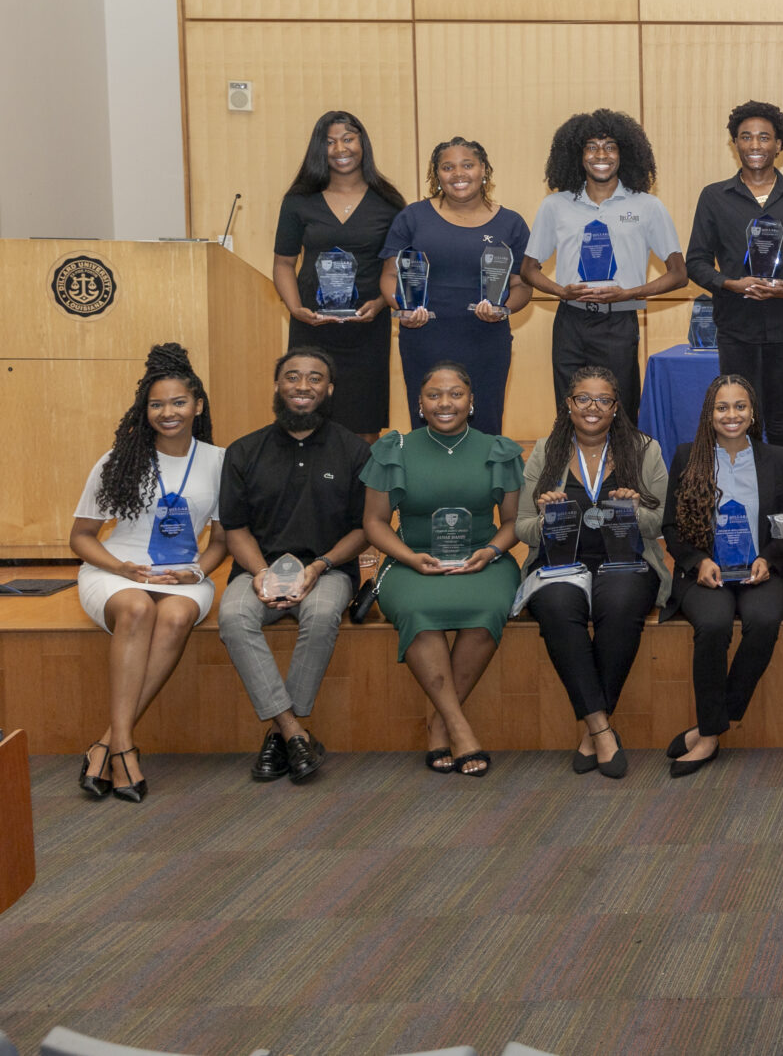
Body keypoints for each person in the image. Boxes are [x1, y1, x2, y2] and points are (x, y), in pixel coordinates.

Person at [67, 344, 226, 803]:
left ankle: (107, 743)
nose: (167, 412)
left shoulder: (219, 462)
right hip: (117, 572)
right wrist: (120, 567)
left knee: (175, 617)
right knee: (137, 609)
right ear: (145, 408)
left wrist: (196, 571)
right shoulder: (118, 460)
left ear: (197, 405)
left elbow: (219, 542)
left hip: (183, 574)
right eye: (156, 404)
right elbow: (81, 538)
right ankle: (124, 750)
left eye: (178, 402)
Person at [360, 361, 524, 778]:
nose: (445, 403)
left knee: (487, 609)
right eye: (434, 395)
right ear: (419, 403)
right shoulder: (393, 449)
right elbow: (374, 523)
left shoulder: (497, 449)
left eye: (455, 394)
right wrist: (411, 557)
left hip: (483, 559)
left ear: (472, 402)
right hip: (411, 559)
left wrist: (489, 552)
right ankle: (459, 727)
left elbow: (512, 523)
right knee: (419, 613)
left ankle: (440, 722)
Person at [216, 348, 371, 785]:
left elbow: (364, 529)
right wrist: (261, 572)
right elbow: (235, 527)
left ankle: (278, 736)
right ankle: (293, 731)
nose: (303, 386)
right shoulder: (244, 450)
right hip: (257, 570)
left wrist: (320, 566)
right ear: (278, 386)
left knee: (322, 616)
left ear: (330, 389)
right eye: (293, 377)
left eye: (315, 378)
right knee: (232, 616)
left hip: (328, 570)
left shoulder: (354, 450)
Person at [515, 366, 670, 780]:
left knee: (619, 604)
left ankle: (591, 729)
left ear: (616, 408)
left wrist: (637, 510)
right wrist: (546, 518)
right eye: (583, 398)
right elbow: (521, 528)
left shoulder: (644, 448)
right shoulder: (547, 450)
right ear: (568, 405)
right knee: (556, 606)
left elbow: (661, 522)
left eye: (603, 400)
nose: (592, 408)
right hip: (560, 562)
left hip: (627, 561)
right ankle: (602, 729)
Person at [661, 374, 783, 777]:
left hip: (761, 567)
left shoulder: (776, 458)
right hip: (705, 569)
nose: (731, 415)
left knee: (763, 619)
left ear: (752, 412)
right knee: (713, 622)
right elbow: (671, 527)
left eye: (740, 406)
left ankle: (711, 724)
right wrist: (697, 561)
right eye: (722, 407)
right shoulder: (688, 456)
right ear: (709, 413)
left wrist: (769, 559)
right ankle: (709, 734)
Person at [683, 100, 783, 447]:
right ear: (734, 143)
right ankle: (741, 496)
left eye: (764, 138)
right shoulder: (714, 197)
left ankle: (779, 501)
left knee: (780, 425)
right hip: (735, 327)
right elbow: (696, 261)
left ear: (780, 144)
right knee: (737, 422)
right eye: (746, 137)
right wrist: (729, 284)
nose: (755, 145)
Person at [519, 109, 686, 425]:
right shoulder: (555, 206)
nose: (600, 154)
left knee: (619, 413)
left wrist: (628, 294)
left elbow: (679, 274)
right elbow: (529, 268)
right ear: (577, 155)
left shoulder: (647, 206)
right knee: (569, 412)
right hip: (570, 322)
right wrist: (561, 291)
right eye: (591, 146)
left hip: (619, 323)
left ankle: (621, 475)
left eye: (609, 146)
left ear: (624, 154)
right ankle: (571, 474)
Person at [379, 137, 532, 436]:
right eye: (447, 167)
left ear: (484, 170)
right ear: (437, 175)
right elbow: (388, 276)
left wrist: (503, 310)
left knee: (485, 424)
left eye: (468, 165)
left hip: (485, 340)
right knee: (428, 426)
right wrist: (402, 309)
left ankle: (486, 484)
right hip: (424, 337)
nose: (458, 174)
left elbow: (522, 285)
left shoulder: (511, 223)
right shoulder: (413, 217)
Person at [271, 110, 406, 437]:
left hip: (367, 330)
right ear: (319, 149)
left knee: (363, 424)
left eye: (348, 139)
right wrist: (294, 309)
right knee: (307, 420)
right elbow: (283, 264)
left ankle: (362, 489)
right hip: (312, 329)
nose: (340, 148)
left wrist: (380, 304)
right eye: (329, 142)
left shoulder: (389, 203)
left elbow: (398, 269)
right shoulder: (298, 201)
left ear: (363, 144)